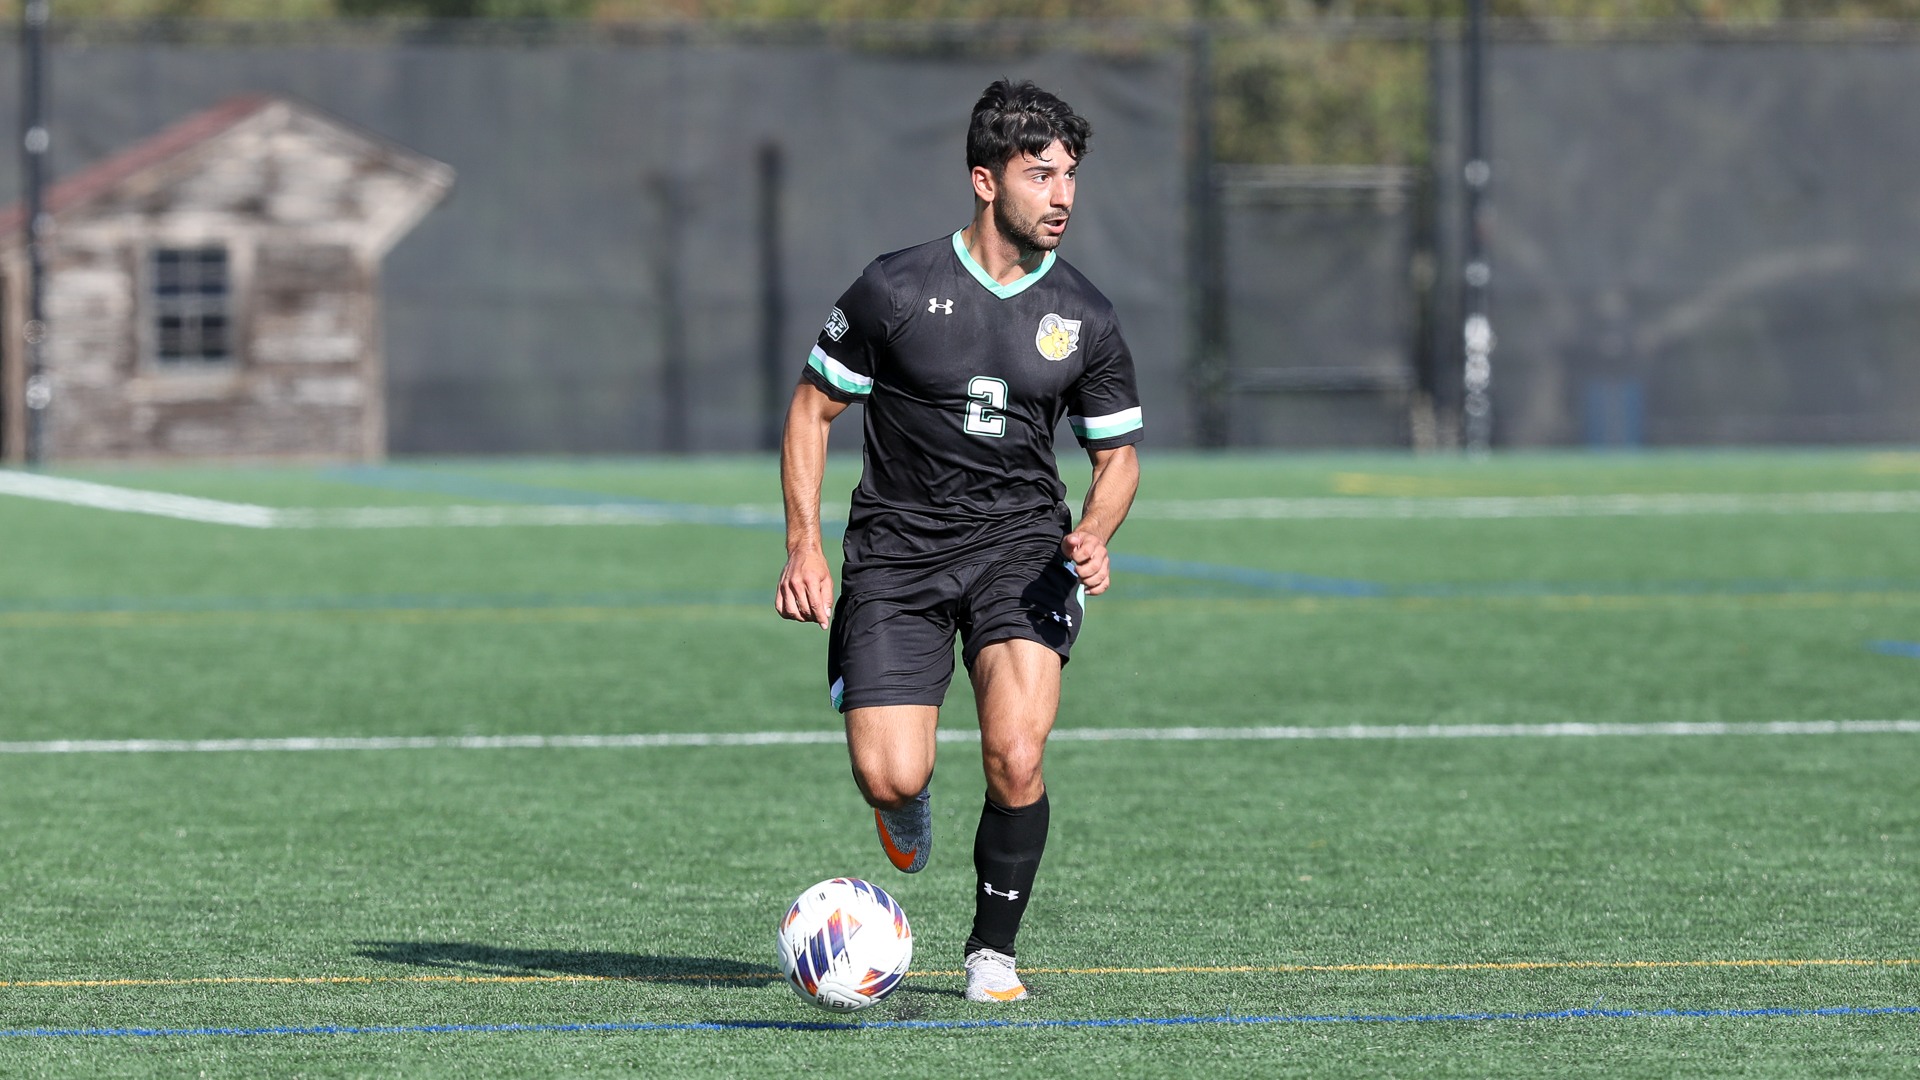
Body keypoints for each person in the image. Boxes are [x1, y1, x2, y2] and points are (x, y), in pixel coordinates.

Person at [774, 78, 1143, 1004]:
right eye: (1039, 175)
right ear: (985, 180)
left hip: (1023, 550)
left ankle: (992, 953)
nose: (1061, 196)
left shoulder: (1087, 314)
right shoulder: (894, 288)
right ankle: (905, 800)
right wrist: (804, 545)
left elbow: (1118, 456)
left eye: (1070, 176)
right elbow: (813, 410)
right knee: (890, 774)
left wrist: (1094, 530)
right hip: (897, 552)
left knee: (1017, 752)